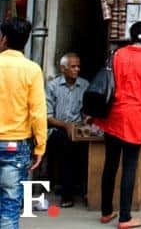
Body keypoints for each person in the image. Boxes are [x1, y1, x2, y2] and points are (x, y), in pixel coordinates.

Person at [92, 22, 141, 229]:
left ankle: (106, 212)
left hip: (112, 116)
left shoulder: (117, 55)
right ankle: (125, 217)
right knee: (130, 167)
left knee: (111, 164)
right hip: (133, 119)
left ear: (129, 36)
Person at [0, 18, 46, 229]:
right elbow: (37, 112)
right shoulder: (32, 70)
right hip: (16, 145)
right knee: (10, 205)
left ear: (4, 39)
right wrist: (40, 146)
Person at [45, 53, 89, 208]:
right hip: (57, 129)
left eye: (78, 66)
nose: (77, 69)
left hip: (77, 129)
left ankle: (87, 190)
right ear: (63, 68)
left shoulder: (84, 85)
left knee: (89, 147)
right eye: (73, 66)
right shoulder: (53, 86)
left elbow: (85, 111)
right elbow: (48, 117)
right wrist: (66, 125)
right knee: (66, 145)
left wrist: (87, 120)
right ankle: (67, 195)